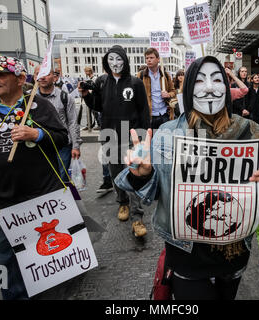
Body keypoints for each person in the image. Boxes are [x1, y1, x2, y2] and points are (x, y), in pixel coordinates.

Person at [115, 56, 259, 300]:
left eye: (216, 79)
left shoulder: (248, 131)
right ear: (189, 89)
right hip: (185, 254)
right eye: (200, 80)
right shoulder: (168, 134)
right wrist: (144, 174)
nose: (210, 87)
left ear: (226, 87)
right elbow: (153, 193)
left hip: (233, 254)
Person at [0, 55, 68, 299]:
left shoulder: (39, 106)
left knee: (46, 257)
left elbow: (63, 139)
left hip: (39, 199)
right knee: (3, 259)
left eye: (0, 74)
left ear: (21, 79)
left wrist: (37, 134)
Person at [82, 45, 150, 238]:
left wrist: (143, 137)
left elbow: (144, 110)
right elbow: (97, 105)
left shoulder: (135, 83)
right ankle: (123, 203)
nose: (115, 63)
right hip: (109, 134)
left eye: (118, 59)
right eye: (111, 59)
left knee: (134, 173)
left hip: (131, 135)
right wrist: (87, 96)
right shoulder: (102, 81)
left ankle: (137, 217)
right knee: (115, 173)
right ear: (106, 61)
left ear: (125, 61)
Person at [33, 65, 82, 182]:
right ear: (34, 77)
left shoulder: (65, 97)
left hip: (62, 146)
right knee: (39, 179)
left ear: (54, 77)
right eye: (38, 74)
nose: (42, 77)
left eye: (46, 74)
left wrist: (76, 146)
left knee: (61, 179)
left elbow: (72, 122)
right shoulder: (28, 97)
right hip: (37, 145)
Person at [141, 47, 177, 129]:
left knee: (165, 139)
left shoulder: (166, 75)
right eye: (147, 58)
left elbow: (173, 91)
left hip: (164, 114)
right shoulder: (141, 75)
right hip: (149, 116)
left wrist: (168, 94)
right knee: (151, 140)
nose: (148, 60)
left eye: (151, 58)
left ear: (158, 59)